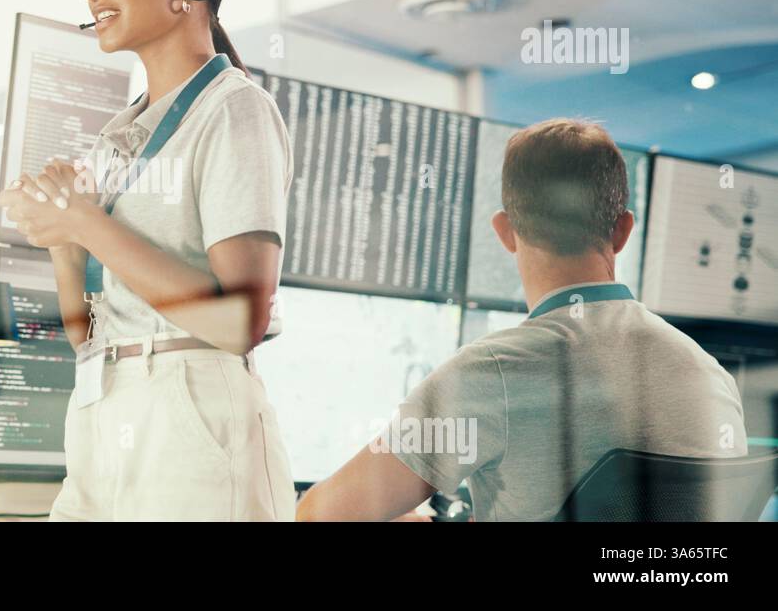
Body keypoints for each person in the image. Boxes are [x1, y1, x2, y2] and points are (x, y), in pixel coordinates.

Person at [0, 0, 296, 521]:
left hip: (187, 404)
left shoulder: (234, 111)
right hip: (103, 399)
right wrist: (64, 240)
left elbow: (238, 320)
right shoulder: (117, 134)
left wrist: (87, 222)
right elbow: (83, 334)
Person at [297, 118, 747, 521]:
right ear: (623, 230)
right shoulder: (710, 375)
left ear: (505, 231)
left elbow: (321, 515)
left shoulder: (493, 371)